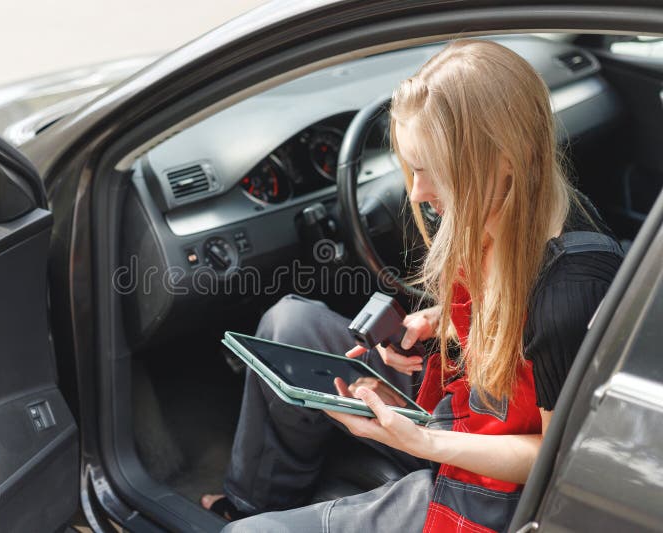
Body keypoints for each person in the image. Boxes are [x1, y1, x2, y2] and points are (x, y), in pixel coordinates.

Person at [201, 38, 624, 532]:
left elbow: (555, 462)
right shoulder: (513, 206)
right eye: (412, 167)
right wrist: (436, 322)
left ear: (505, 159)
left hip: (494, 487)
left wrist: (420, 443)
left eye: (431, 169)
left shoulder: (569, 292)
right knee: (290, 324)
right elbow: (510, 318)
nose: (417, 192)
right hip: (463, 407)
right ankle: (253, 501)